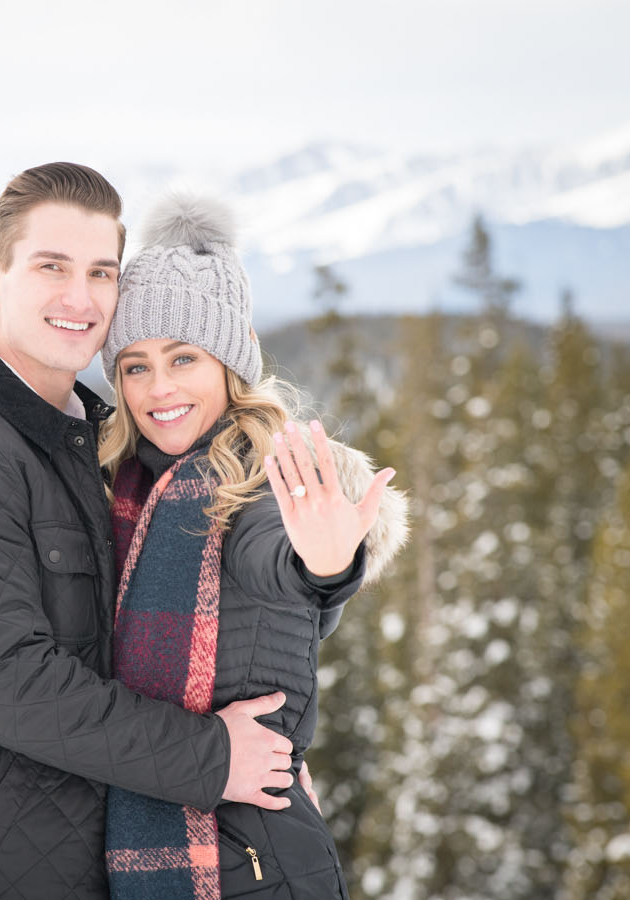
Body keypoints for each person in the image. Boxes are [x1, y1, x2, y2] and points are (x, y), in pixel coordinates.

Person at [0, 163, 318, 899]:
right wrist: (214, 758)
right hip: (5, 864)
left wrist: (325, 571)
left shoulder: (98, 444)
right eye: (52, 267)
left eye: (102, 272)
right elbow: (8, 685)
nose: (81, 298)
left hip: (112, 851)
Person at [96, 192, 410, 898]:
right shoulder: (125, 488)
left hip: (247, 862)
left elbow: (279, 560)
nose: (159, 388)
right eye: (136, 366)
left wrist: (326, 562)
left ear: (230, 365)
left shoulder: (256, 481)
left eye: (184, 358)